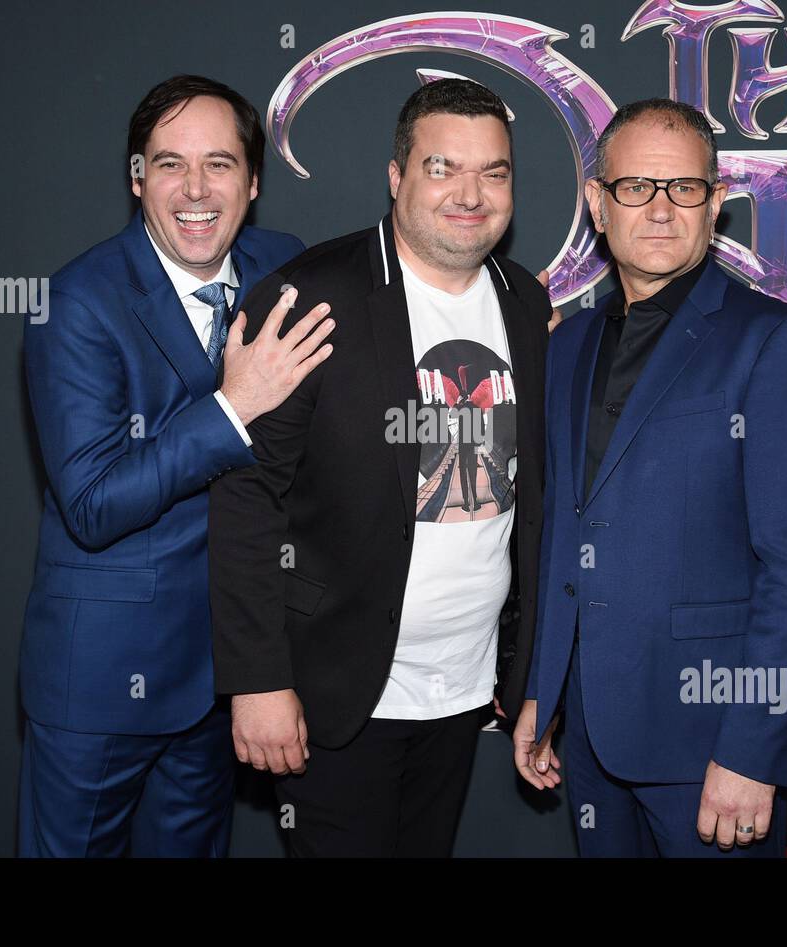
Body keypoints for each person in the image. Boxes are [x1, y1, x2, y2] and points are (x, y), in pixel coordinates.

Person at [208, 78, 551, 856]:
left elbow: (535, 501)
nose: (471, 194)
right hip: (336, 690)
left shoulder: (526, 304)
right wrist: (257, 679)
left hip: (465, 690)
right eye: (442, 168)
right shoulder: (308, 298)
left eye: (493, 172)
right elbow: (245, 495)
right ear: (397, 178)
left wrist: (528, 666)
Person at [513, 98, 787, 857]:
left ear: (714, 202)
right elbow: (565, 530)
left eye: (683, 189)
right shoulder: (569, 346)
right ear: (598, 203)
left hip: (712, 744)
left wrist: (753, 749)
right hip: (591, 736)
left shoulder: (773, 342)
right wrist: (543, 686)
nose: (660, 209)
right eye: (636, 187)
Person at [17, 75, 332, 857]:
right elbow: (92, 503)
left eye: (220, 164)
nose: (195, 189)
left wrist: (501, 309)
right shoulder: (77, 303)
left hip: (223, 675)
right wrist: (232, 406)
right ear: (136, 178)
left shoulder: (283, 265)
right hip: (102, 679)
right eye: (169, 164)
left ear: (254, 182)